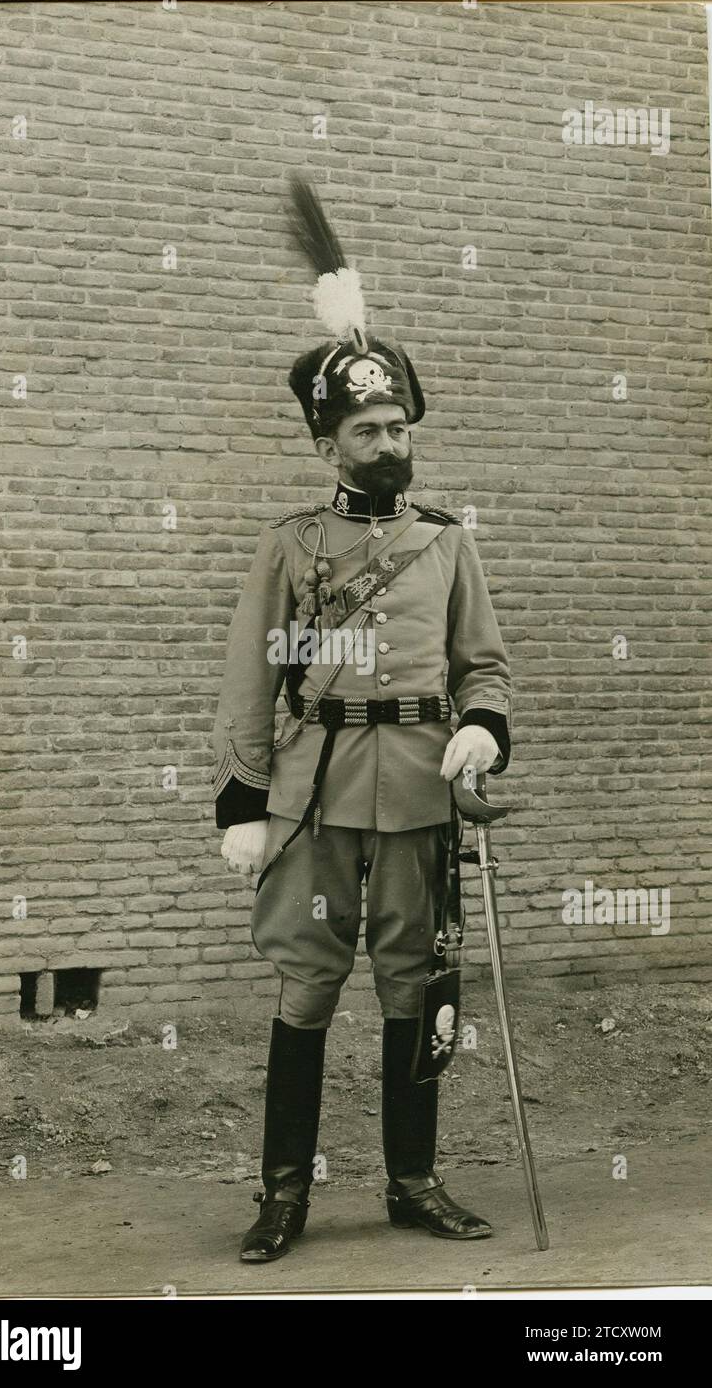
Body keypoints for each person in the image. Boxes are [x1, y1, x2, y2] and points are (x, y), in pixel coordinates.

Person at [210, 180, 512, 1263]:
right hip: (318, 791)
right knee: (305, 985)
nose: (391, 442)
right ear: (329, 445)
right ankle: (284, 1192)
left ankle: (411, 1179)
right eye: (369, 428)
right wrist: (243, 797)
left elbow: (484, 664)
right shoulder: (291, 545)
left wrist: (480, 728)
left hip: (424, 787)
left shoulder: (446, 541)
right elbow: (253, 674)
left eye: (399, 425)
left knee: (416, 985)